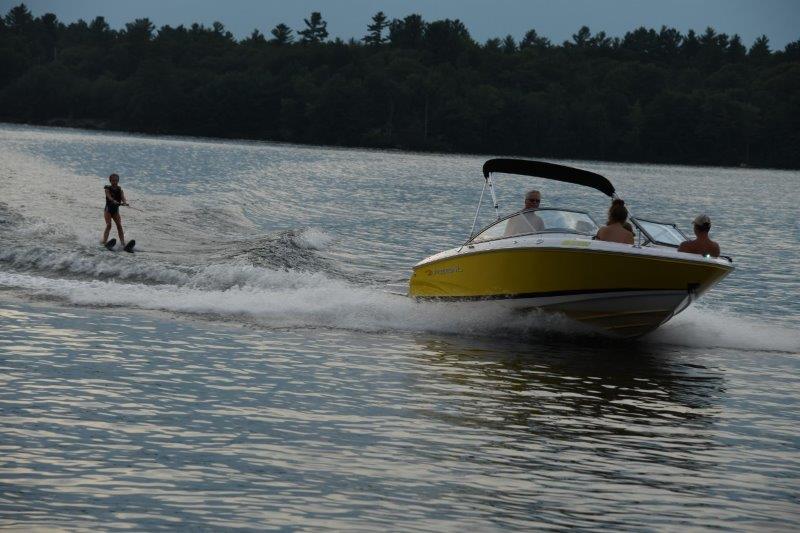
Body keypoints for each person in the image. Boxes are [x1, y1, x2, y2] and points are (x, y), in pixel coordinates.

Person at [102, 173, 128, 247]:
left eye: (116, 180)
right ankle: (104, 242)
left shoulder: (120, 190)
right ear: (110, 181)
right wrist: (113, 200)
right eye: (113, 180)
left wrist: (125, 203)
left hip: (115, 211)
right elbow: (108, 196)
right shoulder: (107, 189)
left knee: (119, 225)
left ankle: (123, 243)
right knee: (109, 225)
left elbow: (123, 197)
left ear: (118, 181)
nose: (114, 182)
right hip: (108, 210)